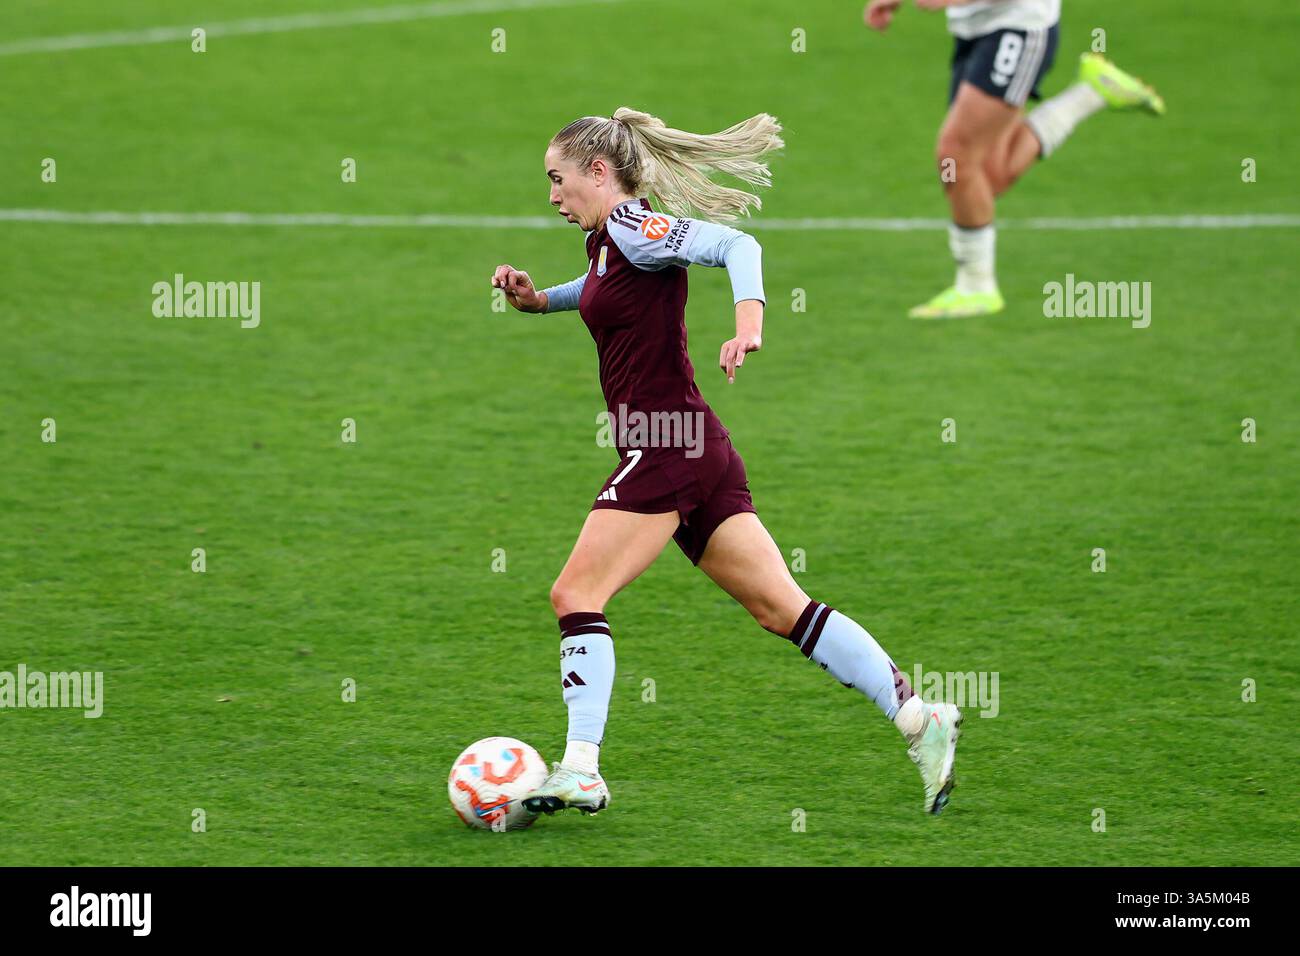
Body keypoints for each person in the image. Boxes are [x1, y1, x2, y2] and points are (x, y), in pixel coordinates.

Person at [490, 107, 962, 817]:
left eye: (558, 180)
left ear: (597, 172)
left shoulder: (631, 228)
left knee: (575, 595)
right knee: (783, 609)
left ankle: (582, 768)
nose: (552, 196)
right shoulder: (607, 245)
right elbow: (603, 295)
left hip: (666, 444)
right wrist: (538, 302)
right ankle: (921, 722)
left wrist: (748, 328)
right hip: (694, 446)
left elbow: (736, 246)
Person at [864, 0, 1165, 318]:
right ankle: (1090, 94)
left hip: (1018, 27)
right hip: (973, 29)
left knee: (954, 157)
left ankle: (976, 286)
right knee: (985, 180)